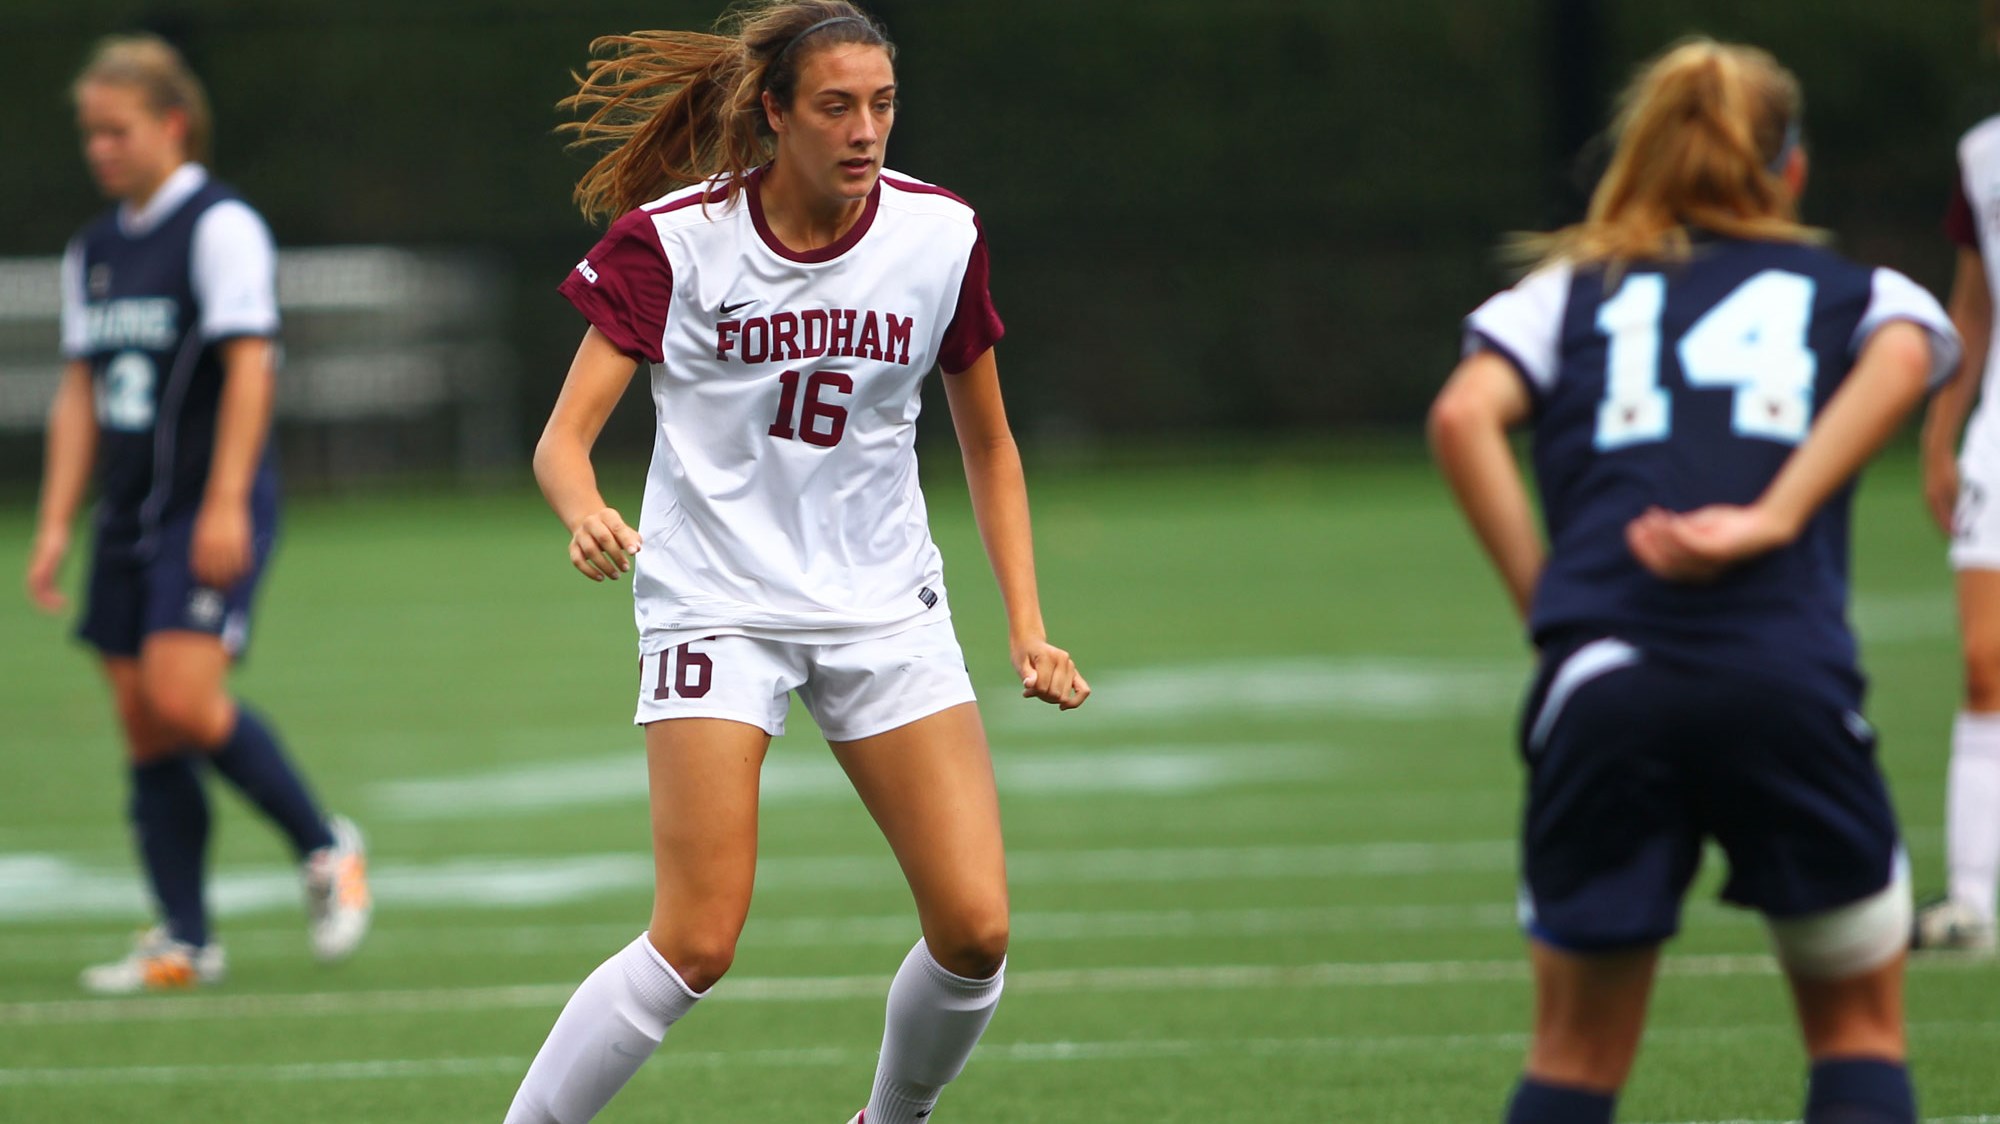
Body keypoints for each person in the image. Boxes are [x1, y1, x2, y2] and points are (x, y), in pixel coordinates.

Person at [502, 3, 1088, 1121]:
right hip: (715, 603)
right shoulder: (676, 241)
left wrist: (1026, 623)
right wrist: (584, 511)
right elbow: (561, 441)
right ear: (774, 113)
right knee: (696, 939)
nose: (864, 130)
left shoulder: (939, 236)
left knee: (975, 931)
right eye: (835, 106)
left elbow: (990, 445)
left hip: (884, 605)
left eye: (882, 104)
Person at [1430, 38, 1957, 1124]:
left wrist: (1552, 607)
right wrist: (1774, 514)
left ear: (1645, 158)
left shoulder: (1565, 293)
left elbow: (1461, 414)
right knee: (1856, 1033)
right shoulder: (1855, 291)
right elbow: (1907, 351)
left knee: (1574, 1055)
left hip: (1606, 679)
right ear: (1790, 167)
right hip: (1781, 673)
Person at [24, 33, 371, 993]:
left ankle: (324, 845)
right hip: (127, 513)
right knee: (143, 722)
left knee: (182, 698)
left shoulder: (220, 226)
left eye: (118, 130)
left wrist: (224, 504)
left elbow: (251, 365)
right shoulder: (94, 248)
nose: (100, 149)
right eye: (90, 133)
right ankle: (185, 938)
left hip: (205, 504)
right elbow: (80, 391)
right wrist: (55, 522)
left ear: (173, 124)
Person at [1912, 80, 2000, 955]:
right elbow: (1973, 306)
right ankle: (1972, 901)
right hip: (1997, 444)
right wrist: (1941, 432)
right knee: (1985, 663)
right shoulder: (1983, 155)